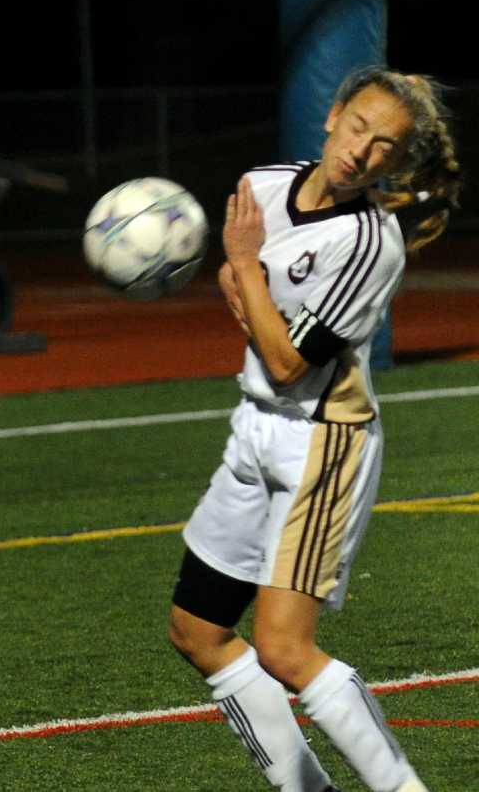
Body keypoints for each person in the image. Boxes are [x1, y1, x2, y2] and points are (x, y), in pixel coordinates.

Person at [167, 66, 461, 792]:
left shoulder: (370, 243)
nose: (363, 151)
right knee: (198, 630)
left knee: (284, 647)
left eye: (385, 145)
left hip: (322, 442)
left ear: (397, 163)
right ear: (332, 116)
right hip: (253, 428)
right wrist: (240, 279)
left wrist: (242, 267)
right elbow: (239, 291)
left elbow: (288, 358)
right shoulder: (263, 184)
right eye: (359, 126)